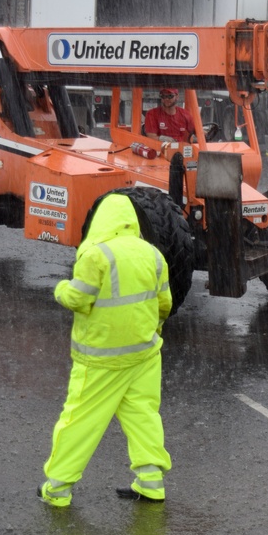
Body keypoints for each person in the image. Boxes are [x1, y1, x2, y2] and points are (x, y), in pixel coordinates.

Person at [38, 193, 173, 507]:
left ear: (102, 220)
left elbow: (78, 299)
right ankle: (151, 483)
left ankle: (57, 488)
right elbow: (164, 304)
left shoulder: (96, 256)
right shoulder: (153, 255)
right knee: (143, 416)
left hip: (101, 359)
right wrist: (152, 331)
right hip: (144, 355)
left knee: (80, 420)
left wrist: (59, 289)